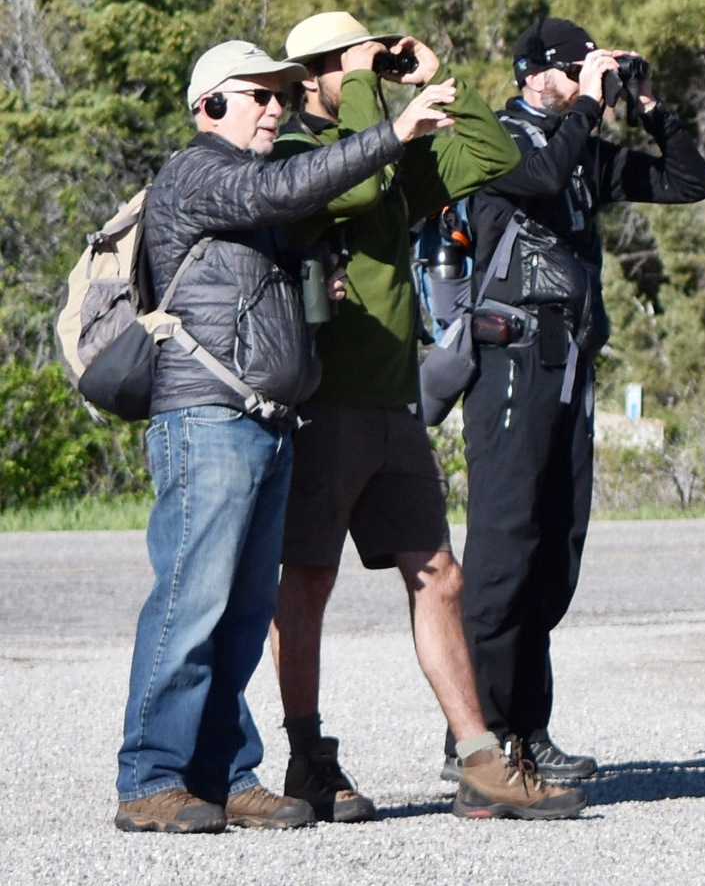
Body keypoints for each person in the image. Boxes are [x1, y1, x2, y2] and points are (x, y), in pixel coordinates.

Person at [115, 40, 455, 833]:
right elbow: (284, 188)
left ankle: (224, 774)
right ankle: (149, 777)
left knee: (241, 613)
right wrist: (392, 131)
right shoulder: (197, 171)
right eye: (258, 95)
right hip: (206, 418)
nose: (276, 107)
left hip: (266, 422)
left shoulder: (252, 194)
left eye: (282, 95)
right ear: (208, 106)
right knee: (190, 602)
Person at [266, 11, 584, 822]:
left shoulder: (388, 142)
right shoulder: (293, 155)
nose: (369, 69)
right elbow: (358, 185)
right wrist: (370, 89)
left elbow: (496, 158)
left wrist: (442, 81)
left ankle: (480, 756)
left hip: (393, 402)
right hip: (324, 402)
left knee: (439, 574)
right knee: (308, 579)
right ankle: (307, 756)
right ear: (311, 76)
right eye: (350, 61)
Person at [449, 17, 705, 780]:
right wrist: (590, 108)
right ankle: (478, 738)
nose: (586, 81)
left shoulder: (581, 148)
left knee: (554, 553)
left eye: (591, 69)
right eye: (574, 69)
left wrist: (652, 108)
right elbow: (536, 179)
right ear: (534, 73)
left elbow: (689, 182)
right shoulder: (496, 139)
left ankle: (528, 728)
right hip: (510, 363)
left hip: (569, 363)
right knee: (504, 553)